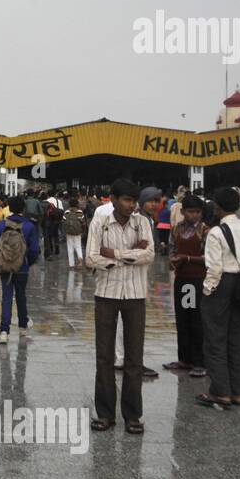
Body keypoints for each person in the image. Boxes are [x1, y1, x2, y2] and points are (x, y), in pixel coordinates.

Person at [86, 179, 155, 434]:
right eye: (126, 200)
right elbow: (91, 257)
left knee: (134, 357)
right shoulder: (100, 223)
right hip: (106, 293)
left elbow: (150, 255)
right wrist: (131, 253)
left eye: (133, 201)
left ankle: (133, 415)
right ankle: (105, 414)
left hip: (136, 295)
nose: (131, 205)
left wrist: (113, 254)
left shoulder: (143, 223)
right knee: (104, 356)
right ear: (112, 199)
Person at [196, 188, 240, 408]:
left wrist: (207, 291)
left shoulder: (216, 232)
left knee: (215, 340)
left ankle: (220, 392)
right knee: (235, 340)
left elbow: (214, 268)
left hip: (222, 285)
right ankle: (237, 393)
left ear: (217, 207)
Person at [165, 194, 207, 376]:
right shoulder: (176, 230)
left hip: (198, 281)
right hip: (182, 279)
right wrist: (173, 261)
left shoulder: (206, 231)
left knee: (197, 320)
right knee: (182, 319)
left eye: (198, 212)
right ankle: (184, 359)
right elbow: (171, 251)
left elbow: (210, 258)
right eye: (191, 212)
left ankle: (200, 361)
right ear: (182, 212)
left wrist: (187, 258)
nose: (194, 215)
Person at [0, 195, 40, 345]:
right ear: (23, 208)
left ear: (9, 208)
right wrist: (27, 263)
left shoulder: (2, 225)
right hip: (22, 267)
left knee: (6, 297)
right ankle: (23, 327)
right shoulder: (29, 226)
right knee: (21, 296)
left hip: (5, 267)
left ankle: (4, 332)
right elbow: (34, 250)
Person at [62, 197, 86, 268]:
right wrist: (83, 231)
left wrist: (65, 230)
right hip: (78, 232)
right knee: (78, 246)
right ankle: (80, 259)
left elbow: (63, 222)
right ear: (77, 204)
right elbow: (83, 223)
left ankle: (71, 264)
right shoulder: (80, 212)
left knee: (70, 248)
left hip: (69, 233)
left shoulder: (66, 212)